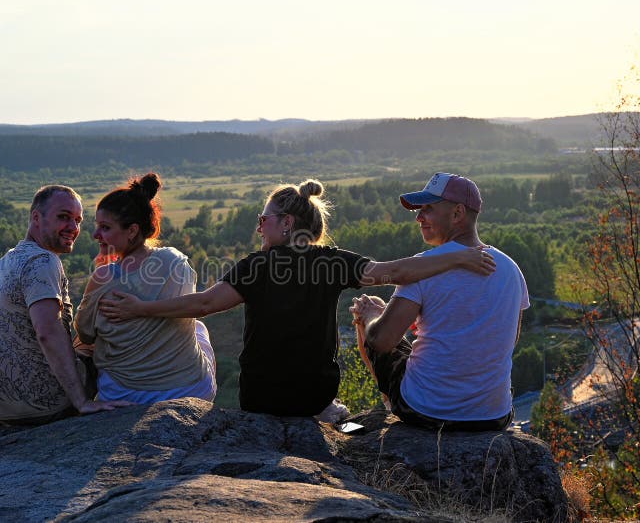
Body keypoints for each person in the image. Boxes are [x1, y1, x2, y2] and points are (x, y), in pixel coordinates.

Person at [101, 179, 495, 419]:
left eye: (264, 219)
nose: (259, 226)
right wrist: (457, 255)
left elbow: (201, 305)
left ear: (287, 224)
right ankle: (330, 415)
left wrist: (140, 309)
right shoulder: (332, 262)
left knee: (201, 329)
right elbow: (398, 272)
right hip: (313, 396)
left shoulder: (255, 266)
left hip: (261, 398)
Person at [351, 172, 529, 431]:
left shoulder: (423, 268)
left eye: (428, 209)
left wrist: (368, 316)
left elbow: (382, 341)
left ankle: (389, 405)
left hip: (426, 411)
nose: (418, 217)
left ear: (457, 214)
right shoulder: (510, 268)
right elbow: (509, 338)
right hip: (493, 415)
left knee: (371, 318)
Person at [0, 185, 131, 427]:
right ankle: (145, 402)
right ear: (36, 218)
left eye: (78, 220)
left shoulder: (10, 257)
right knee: (104, 338)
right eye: (63, 217)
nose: (74, 228)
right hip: (42, 404)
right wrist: (81, 402)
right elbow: (47, 332)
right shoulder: (42, 261)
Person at [73, 173, 217, 404]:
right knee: (198, 329)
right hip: (190, 390)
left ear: (132, 230)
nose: (95, 235)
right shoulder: (175, 261)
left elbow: (86, 334)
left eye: (105, 228)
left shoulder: (103, 277)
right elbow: (186, 308)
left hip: (125, 394)